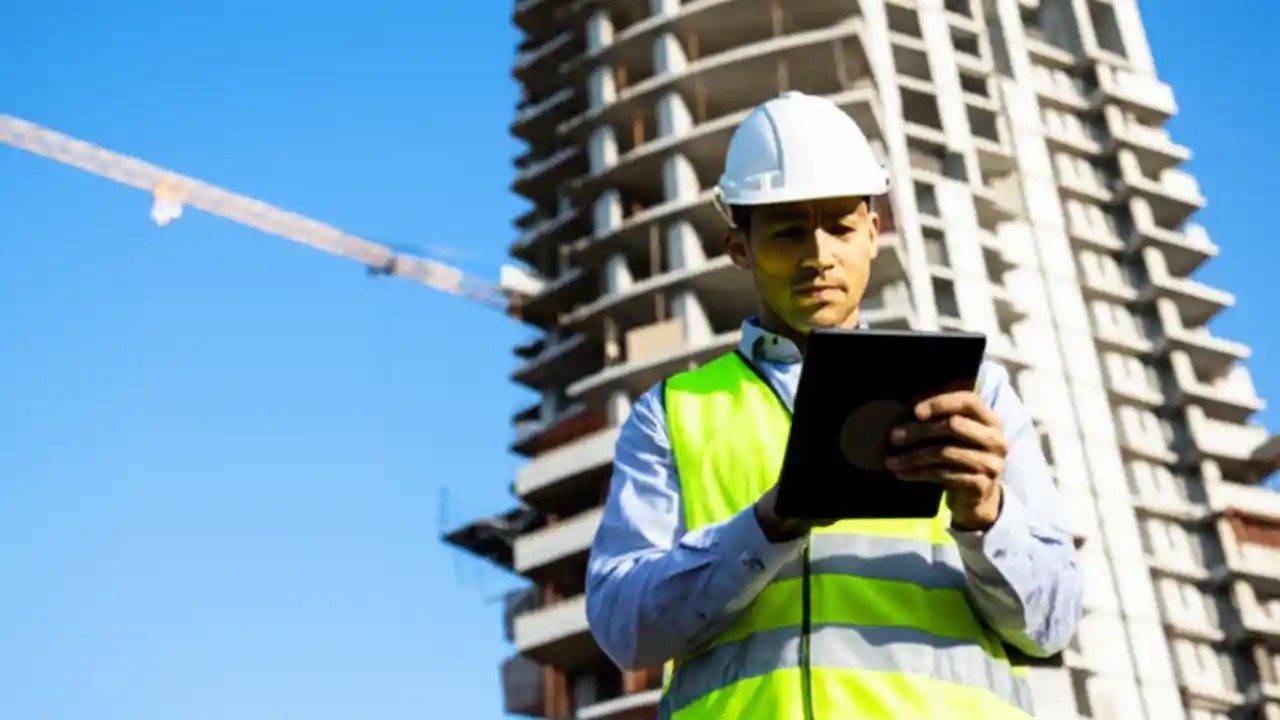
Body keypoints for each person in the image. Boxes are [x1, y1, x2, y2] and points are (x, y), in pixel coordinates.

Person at [584, 90, 1083, 720]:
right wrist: (766, 526)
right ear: (739, 246)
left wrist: (987, 517)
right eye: (790, 231)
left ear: (874, 233)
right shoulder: (673, 413)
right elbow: (624, 629)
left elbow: (1052, 623)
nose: (819, 255)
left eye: (841, 227)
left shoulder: (973, 396)